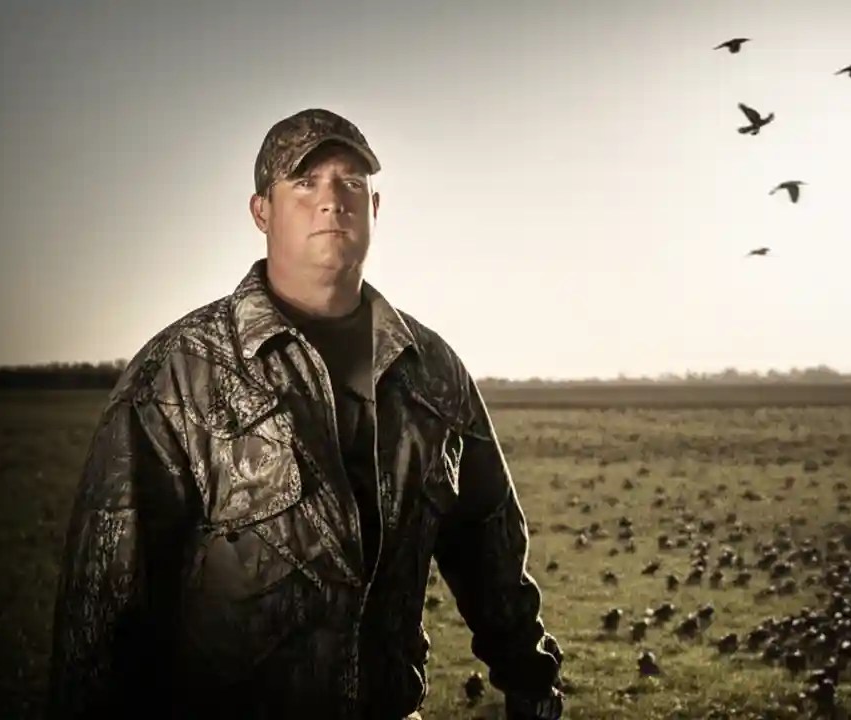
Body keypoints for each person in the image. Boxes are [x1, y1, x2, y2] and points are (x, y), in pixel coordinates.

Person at [47, 108, 565, 719]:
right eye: (304, 182)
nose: (331, 201)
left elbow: (489, 542)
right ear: (260, 211)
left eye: (351, 184)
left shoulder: (432, 372)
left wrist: (530, 678)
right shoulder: (177, 373)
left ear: (375, 210)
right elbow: (102, 600)